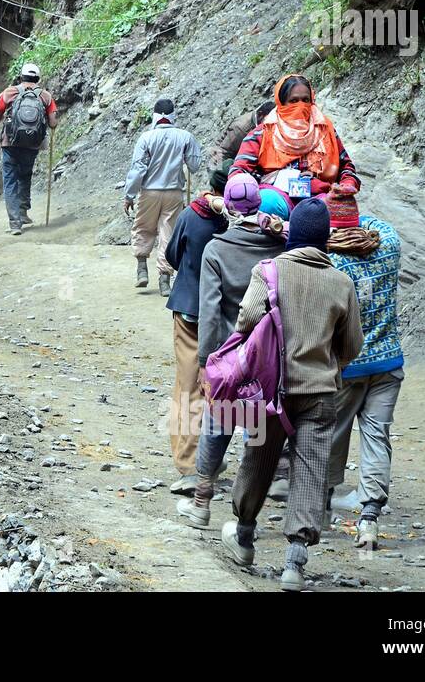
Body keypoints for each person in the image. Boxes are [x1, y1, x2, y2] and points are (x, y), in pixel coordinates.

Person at [220, 198, 364, 592]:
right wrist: (329, 365)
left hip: (272, 390)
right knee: (312, 469)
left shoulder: (269, 271)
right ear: (325, 242)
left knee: (258, 457)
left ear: (293, 235)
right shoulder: (341, 282)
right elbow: (352, 344)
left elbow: (246, 319)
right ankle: (295, 564)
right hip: (319, 394)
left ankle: (245, 537)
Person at [176, 174, 288, 530]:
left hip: (229, 355)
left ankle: (201, 505)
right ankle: (245, 523)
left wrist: (207, 362)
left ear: (230, 208)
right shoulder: (277, 249)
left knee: (217, 422)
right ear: (256, 207)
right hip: (267, 358)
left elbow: (209, 312)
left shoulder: (217, 250)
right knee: (259, 433)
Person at [326, 210, 403, 551]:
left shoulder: (332, 265)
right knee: (376, 436)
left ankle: (319, 506)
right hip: (388, 363)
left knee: (334, 434)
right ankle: (369, 518)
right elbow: (383, 226)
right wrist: (355, 212)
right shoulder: (389, 250)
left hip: (347, 366)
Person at [162, 166, 230, 496]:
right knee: (217, 390)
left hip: (190, 309)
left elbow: (172, 254)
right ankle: (210, 459)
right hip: (226, 318)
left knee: (187, 386)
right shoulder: (241, 220)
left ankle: (189, 465)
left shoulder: (193, 214)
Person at [230, 74, 360, 203]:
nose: (301, 106)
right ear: (281, 103)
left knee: (329, 208)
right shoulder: (261, 135)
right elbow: (238, 173)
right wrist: (279, 178)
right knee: (269, 202)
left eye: (305, 100)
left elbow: (346, 167)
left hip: (320, 198)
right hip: (277, 200)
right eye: (293, 101)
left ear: (312, 100)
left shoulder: (325, 131)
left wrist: (346, 185)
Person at [123, 98, 203, 296]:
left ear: (155, 115)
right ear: (173, 114)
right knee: (168, 233)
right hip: (174, 193)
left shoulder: (146, 138)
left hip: (149, 192)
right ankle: (164, 280)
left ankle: (142, 269)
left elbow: (138, 169)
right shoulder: (185, 137)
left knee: (143, 227)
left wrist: (129, 195)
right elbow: (194, 165)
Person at [0, 63, 59, 235]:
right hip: (32, 145)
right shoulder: (45, 96)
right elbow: (53, 123)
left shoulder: (10, 92)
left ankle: (15, 224)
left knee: (10, 180)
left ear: (21, 77)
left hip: (10, 143)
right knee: (25, 175)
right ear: (38, 78)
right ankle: (23, 212)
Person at [212, 99, 275, 168]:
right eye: (268, 119)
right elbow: (224, 151)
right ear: (260, 115)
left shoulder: (259, 120)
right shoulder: (241, 129)